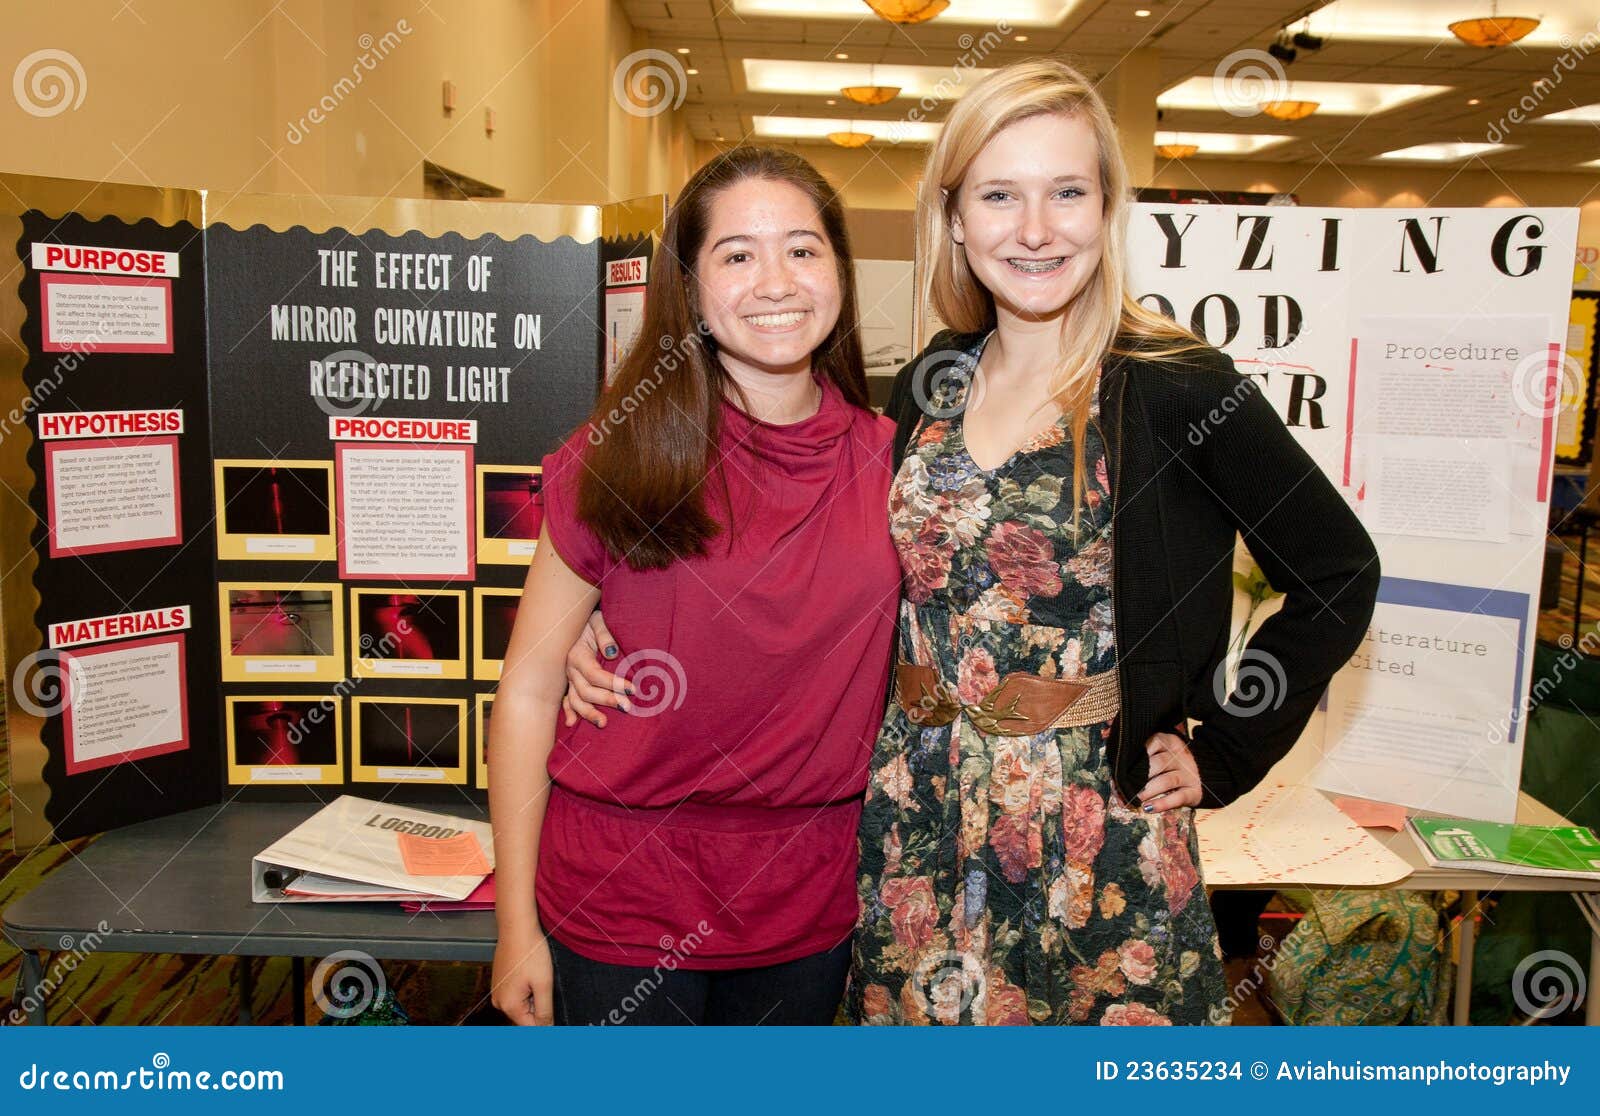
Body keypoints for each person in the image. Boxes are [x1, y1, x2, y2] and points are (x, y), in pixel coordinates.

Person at [847, 58, 1379, 1025]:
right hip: (915, 808)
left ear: (1107, 210)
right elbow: (868, 579)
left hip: (1090, 826)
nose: (1037, 228)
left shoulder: (1174, 383)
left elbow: (1339, 570)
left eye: (1067, 193)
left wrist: (1228, 749)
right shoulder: (932, 378)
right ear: (955, 217)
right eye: (1000, 194)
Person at [488, 146, 902, 1026]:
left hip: (807, 902)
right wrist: (515, 924)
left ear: (839, 271)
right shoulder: (618, 458)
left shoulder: (899, 463)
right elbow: (526, 687)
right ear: (690, 287)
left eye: (802, 248)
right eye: (737, 254)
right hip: (617, 902)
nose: (776, 281)